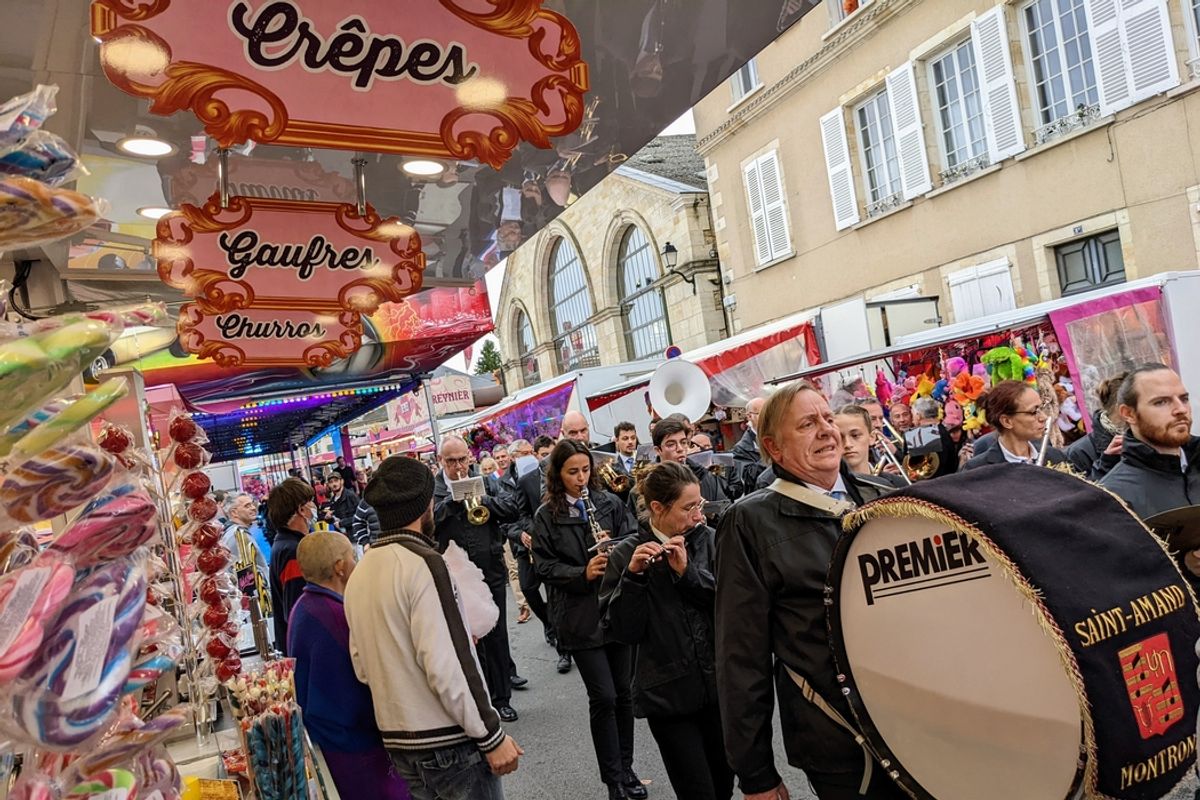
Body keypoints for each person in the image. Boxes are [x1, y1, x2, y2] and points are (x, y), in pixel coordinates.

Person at [715, 381, 904, 800]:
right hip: (840, 739)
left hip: (917, 727)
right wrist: (756, 773)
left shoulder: (886, 495)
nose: (826, 430)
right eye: (806, 424)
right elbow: (740, 657)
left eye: (826, 418)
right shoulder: (750, 522)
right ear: (774, 448)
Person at [344, 457, 523, 799]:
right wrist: (491, 735)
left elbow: (362, 665)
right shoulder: (427, 564)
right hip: (448, 744)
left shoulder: (361, 572)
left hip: (401, 742)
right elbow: (449, 665)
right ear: (425, 504)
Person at [603, 462, 733, 800]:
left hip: (718, 687)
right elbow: (622, 630)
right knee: (697, 790)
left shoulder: (709, 540)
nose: (697, 516)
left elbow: (729, 605)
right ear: (658, 509)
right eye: (688, 508)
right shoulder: (625, 554)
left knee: (724, 783)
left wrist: (687, 573)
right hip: (667, 694)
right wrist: (633, 578)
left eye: (699, 505)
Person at [532, 440, 643, 800]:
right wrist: (583, 572)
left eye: (585, 470)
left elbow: (632, 536)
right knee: (605, 697)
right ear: (558, 475)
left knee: (624, 695)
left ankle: (627, 770)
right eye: (572, 472)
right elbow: (544, 566)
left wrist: (617, 548)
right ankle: (613, 780)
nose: (581, 478)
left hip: (615, 608)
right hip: (580, 616)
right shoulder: (546, 515)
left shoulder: (608, 502)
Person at [288, 532, 411, 800]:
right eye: (352, 557)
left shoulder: (304, 606)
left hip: (330, 736)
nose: (355, 562)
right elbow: (363, 681)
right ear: (339, 567)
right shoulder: (336, 615)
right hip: (354, 744)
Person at [435, 437, 525, 722]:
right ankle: (479, 698)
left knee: (496, 634)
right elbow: (428, 524)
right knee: (465, 638)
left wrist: (483, 500)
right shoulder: (435, 490)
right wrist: (451, 502)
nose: (459, 466)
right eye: (452, 461)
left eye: (463, 460)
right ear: (441, 461)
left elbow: (511, 508)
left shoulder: (485, 481)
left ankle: (502, 698)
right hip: (455, 573)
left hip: (489, 568)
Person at [1100, 364, 1200, 523]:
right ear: (1129, 414)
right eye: (1161, 402)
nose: (1181, 409)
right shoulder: (1114, 497)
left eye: (1184, 399)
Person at [511, 439, 568, 673]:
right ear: (535, 456)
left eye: (551, 453)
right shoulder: (525, 481)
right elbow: (520, 513)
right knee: (528, 587)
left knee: (555, 595)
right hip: (532, 546)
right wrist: (528, 531)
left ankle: (563, 651)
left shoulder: (563, 475)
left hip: (557, 546)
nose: (547, 458)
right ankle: (548, 622)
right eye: (543, 454)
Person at [963, 381, 1067, 469]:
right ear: (1007, 421)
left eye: (1041, 408)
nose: (1043, 417)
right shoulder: (979, 469)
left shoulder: (1055, 458)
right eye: (1033, 411)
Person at [267, 477, 316, 655]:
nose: (314, 507)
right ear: (301, 509)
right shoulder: (293, 552)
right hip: (302, 652)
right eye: (310, 502)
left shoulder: (284, 544)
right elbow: (298, 609)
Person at [1066, 372, 1128, 479]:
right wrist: (1106, 464)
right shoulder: (1078, 453)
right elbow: (1083, 494)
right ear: (1124, 411)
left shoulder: (1149, 438)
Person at [222, 492, 272, 619]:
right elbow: (248, 580)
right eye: (247, 506)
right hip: (254, 609)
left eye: (252, 504)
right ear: (234, 513)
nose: (253, 508)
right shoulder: (238, 535)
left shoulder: (236, 532)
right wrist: (262, 610)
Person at [834, 405, 907, 489]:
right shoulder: (830, 487)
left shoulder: (899, 484)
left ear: (871, 438)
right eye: (839, 437)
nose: (847, 444)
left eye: (855, 435)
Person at [908, 396, 961, 479]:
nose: (912, 419)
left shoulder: (918, 435)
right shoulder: (942, 430)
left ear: (918, 416)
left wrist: (895, 451)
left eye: (912, 415)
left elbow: (911, 469)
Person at [732, 397, 766, 492]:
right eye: (763, 413)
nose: (768, 416)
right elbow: (749, 477)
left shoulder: (779, 435)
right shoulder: (741, 448)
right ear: (749, 416)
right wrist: (772, 455)